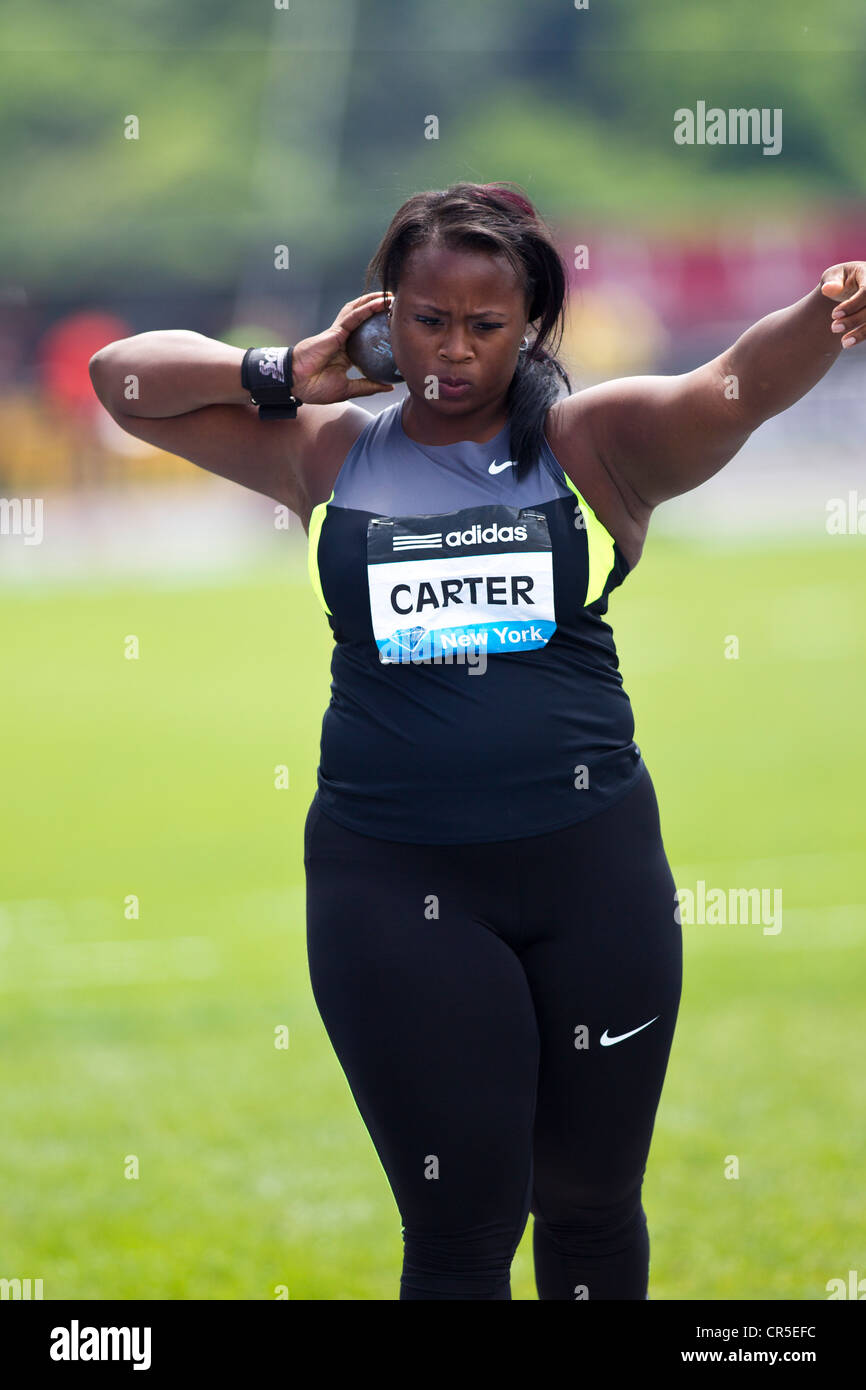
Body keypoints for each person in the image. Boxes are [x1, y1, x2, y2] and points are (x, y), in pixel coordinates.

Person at [88, 182, 862, 1300]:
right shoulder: (322, 451)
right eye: (426, 319)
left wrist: (824, 311)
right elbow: (125, 378)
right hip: (389, 880)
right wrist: (280, 371)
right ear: (381, 316)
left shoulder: (595, 444)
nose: (451, 350)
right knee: (459, 1228)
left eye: (483, 325)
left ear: (530, 324)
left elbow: (729, 388)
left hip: (591, 875)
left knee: (591, 1209)